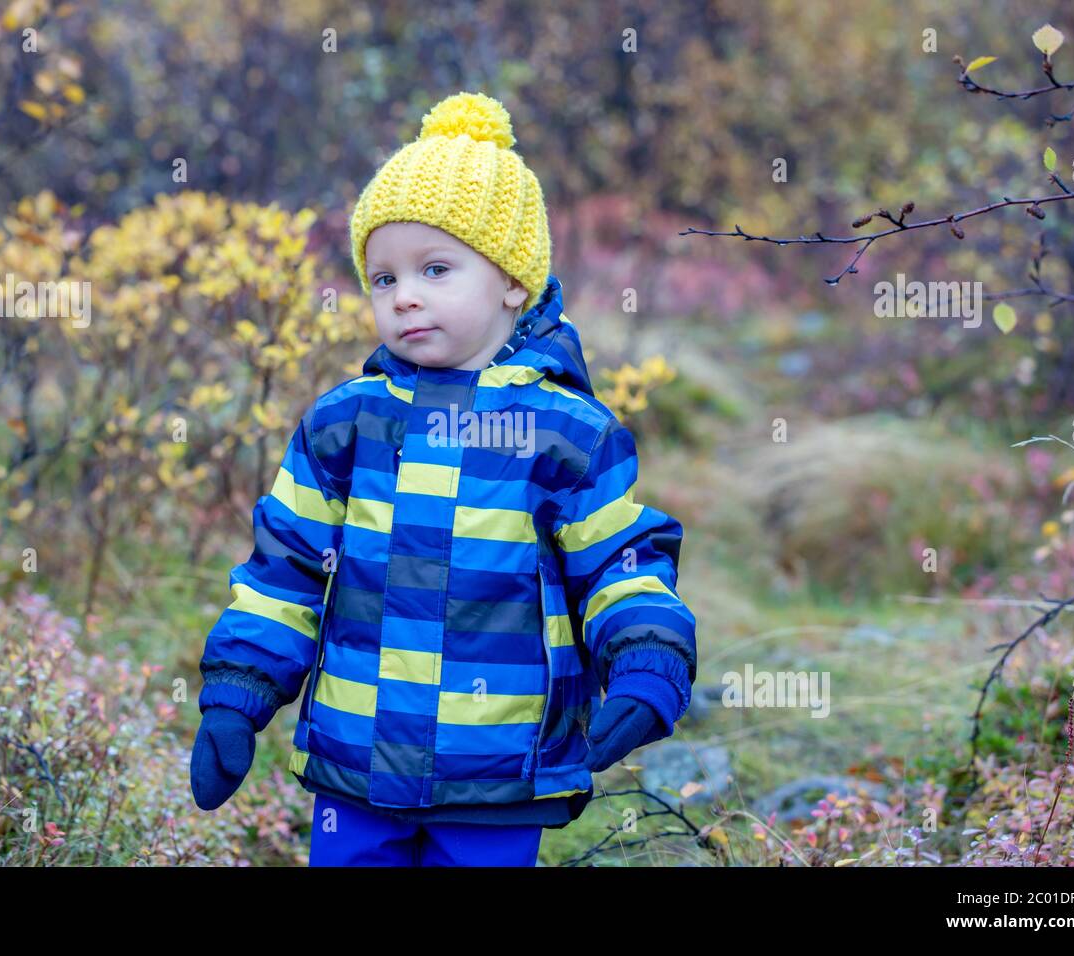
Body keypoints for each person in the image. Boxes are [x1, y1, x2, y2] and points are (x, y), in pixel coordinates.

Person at [190, 91, 698, 867]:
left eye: (435, 268)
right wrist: (237, 693)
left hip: (494, 776)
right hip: (354, 768)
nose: (406, 297)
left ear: (513, 283)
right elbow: (283, 573)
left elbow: (618, 565)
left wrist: (647, 657)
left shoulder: (565, 433)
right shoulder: (343, 424)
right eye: (383, 278)